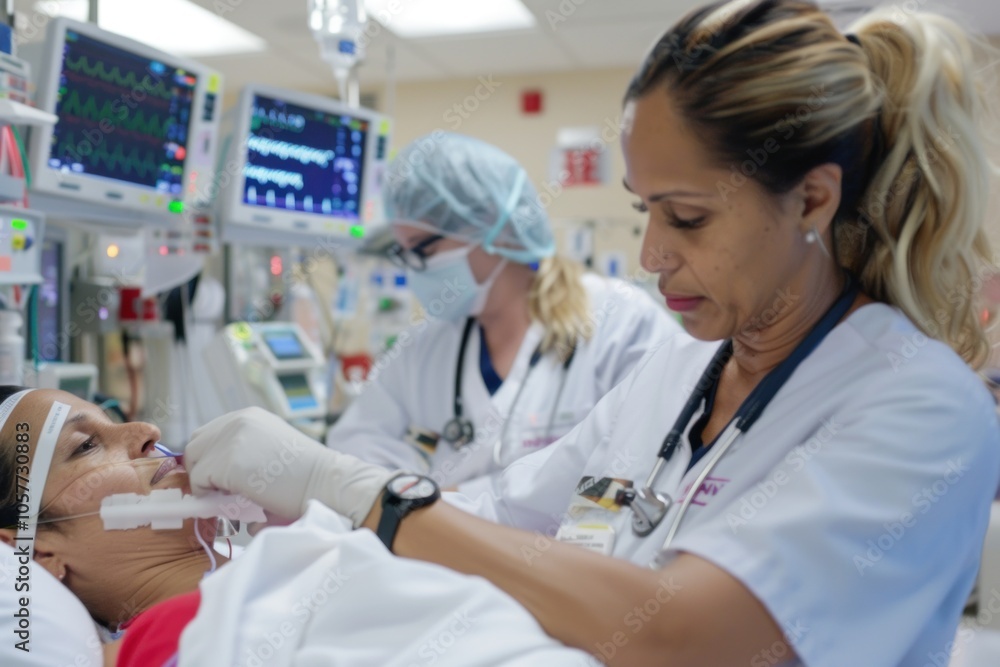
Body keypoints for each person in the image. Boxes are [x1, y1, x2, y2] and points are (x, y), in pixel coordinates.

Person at [187, 1, 1000, 665]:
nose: (651, 255)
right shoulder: (682, 373)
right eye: (644, 209)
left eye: (686, 216)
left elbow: (681, 634)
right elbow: (500, 511)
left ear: (813, 201)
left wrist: (366, 493)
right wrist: (293, 508)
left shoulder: (924, 407)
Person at [0, 388, 596, 666]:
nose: (145, 431)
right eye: (85, 447)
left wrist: (349, 497)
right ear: (37, 551)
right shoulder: (168, 644)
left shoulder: (314, 543)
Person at [327, 132, 678, 494]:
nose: (414, 269)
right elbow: (356, 450)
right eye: (404, 254)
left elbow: (642, 469)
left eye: (423, 249)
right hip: (432, 549)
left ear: (497, 227)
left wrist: (445, 501)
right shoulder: (421, 350)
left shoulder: (621, 324)